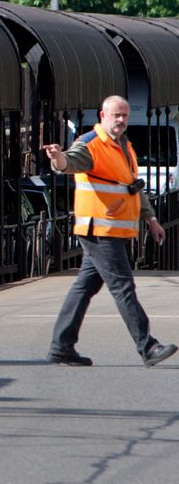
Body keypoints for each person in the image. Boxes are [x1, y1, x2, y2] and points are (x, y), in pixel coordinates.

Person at [41, 94, 177, 367]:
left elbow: (133, 186)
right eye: (116, 115)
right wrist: (58, 159)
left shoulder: (124, 145)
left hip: (112, 230)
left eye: (125, 115)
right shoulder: (91, 144)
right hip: (99, 230)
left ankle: (61, 347)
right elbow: (70, 162)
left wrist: (150, 219)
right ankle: (147, 347)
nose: (121, 120)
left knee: (84, 287)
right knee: (123, 287)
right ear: (102, 116)